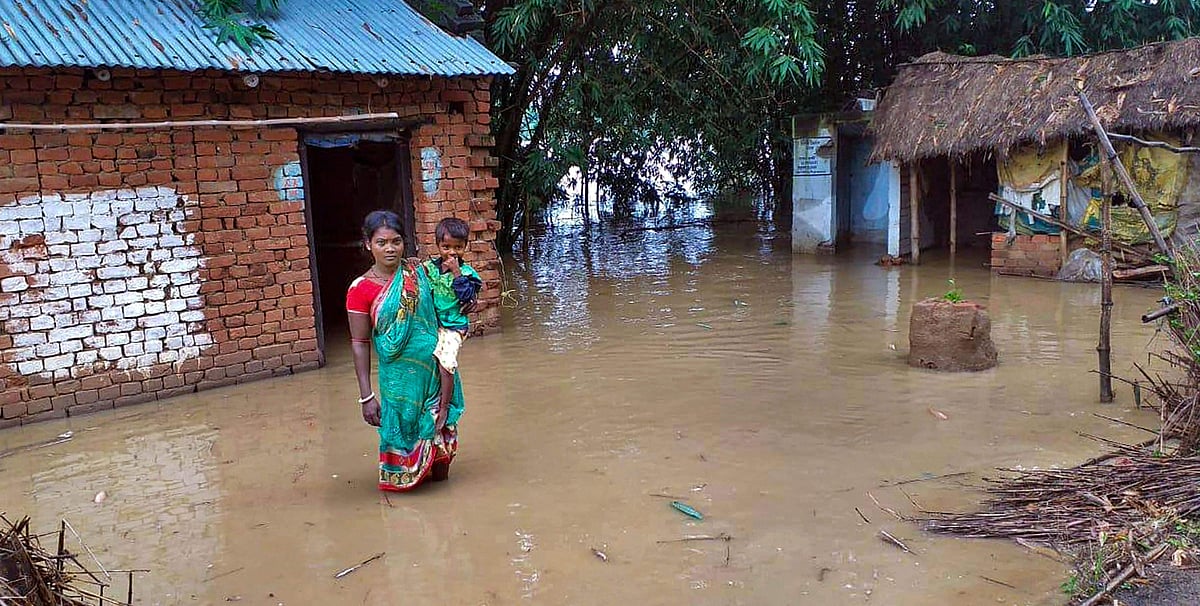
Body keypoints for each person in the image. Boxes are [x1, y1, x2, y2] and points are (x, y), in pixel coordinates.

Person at [345, 210, 465, 491]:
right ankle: (402, 493)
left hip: (434, 374)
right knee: (402, 434)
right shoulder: (360, 289)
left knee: (440, 449)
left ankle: (442, 499)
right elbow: (360, 344)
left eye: (396, 241)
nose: (390, 248)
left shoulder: (421, 272)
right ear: (368, 245)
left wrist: (467, 300)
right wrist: (366, 396)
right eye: (381, 242)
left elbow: (450, 301)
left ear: (404, 243)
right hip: (398, 382)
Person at [423, 217, 483, 445]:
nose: (451, 252)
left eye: (458, 247)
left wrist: (457, 273)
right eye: (446, 247)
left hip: (454, 328)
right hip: (432, 325)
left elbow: (468, 298)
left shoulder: (468, 273)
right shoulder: (429, 269)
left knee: (445, 361)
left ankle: (445, 406)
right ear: (438, 246)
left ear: (465, 246)